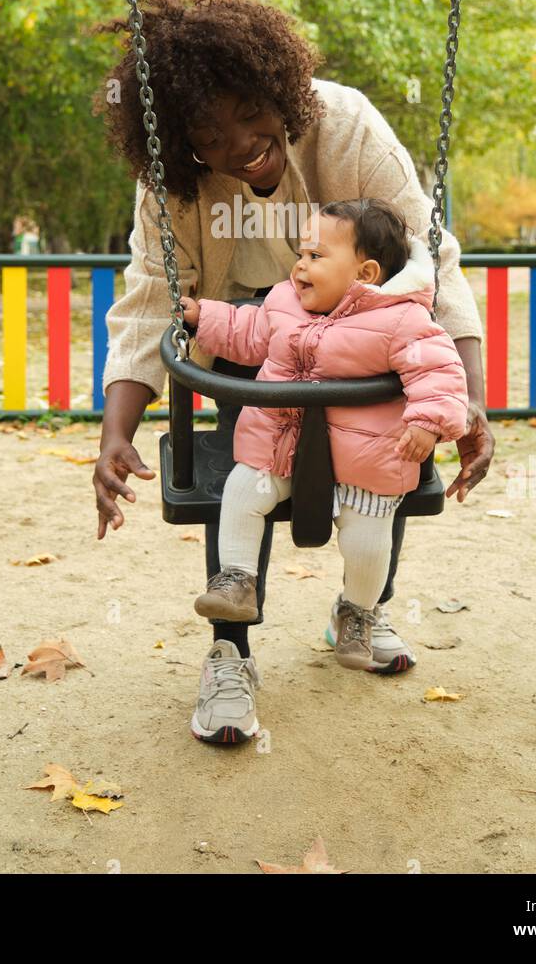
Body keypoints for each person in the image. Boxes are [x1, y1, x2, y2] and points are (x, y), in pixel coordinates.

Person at [91, 0, 494, 745]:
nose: (240, 141)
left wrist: (466, 400)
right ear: (181, 144)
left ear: (280, 89)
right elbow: (152, 297)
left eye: (251, 111)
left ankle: (360, 613)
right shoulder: (172, 182)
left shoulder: (343, 129)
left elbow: (429, 259)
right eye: (208, 131)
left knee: (381, 461)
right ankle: (229, 656)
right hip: (255, 337)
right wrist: (117, 430)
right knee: (243, 477)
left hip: (367, 333)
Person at [181, 200, 468, 713]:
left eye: (316, 254)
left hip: (363, 459)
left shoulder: (402, 318)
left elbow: (437, 371)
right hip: (279, 447)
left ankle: (356, 612)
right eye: (300, 252)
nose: (300, 265)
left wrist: (428, 422)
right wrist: (206, 318)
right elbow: (249, 335)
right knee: (242, 491)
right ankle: (238, 580)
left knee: (368, 539)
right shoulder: (284, 301)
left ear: (366, 273)